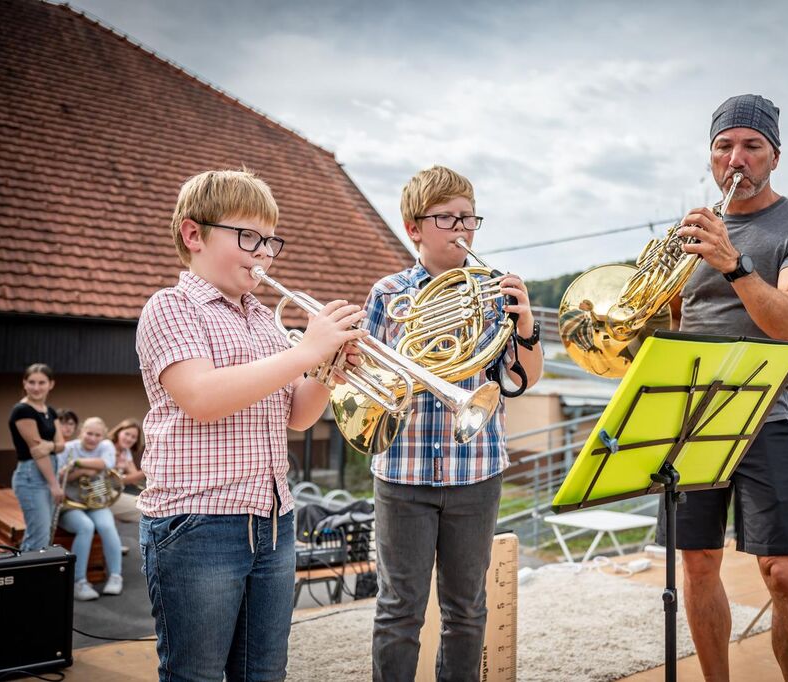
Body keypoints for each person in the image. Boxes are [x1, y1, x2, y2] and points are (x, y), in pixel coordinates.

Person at [135, 168, 367, 681]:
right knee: (194, 674)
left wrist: (328, 370)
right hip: (198, 523)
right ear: (193, 235)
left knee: (263, 673)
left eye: (269, 241)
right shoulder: (170, 308)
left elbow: (299, 417)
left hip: (274, 518)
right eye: (247, 237)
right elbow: (202, 398)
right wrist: (308, 349)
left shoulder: (264, 318)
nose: (263, 253)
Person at [659, 94, 788, 681]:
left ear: (773, 157)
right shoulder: (690, 230)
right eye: (724, 146)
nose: (737, 158)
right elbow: (675, 322)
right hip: (691, 413)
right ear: (711, 156)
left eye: (751, 146)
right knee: (699, 563)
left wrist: (734, 263)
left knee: (783, 572)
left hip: (765, 411)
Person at [365, 165, 543, 681]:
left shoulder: (492, 290)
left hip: (477, 468)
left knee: (467, 609)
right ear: (413, 227)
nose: (462, 229)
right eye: (447, 218)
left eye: (469, 217)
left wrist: (525, 325)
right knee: (400, 609)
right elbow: (369, 380)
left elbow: (520, 378)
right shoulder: (388, 294)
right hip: (403, 471)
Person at [56, 416, 124, 600]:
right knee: (86, 527)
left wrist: (76, 464)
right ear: (81, 432)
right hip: (71, 505)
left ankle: (116, 576)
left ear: (102, 436)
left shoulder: (106, 446)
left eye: (97, 435)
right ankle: (79, 581)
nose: (92, 438)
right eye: (89, 433)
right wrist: (84, 472)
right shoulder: (69, 448)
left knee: (107, 526)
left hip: (96, 502)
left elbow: (107, 464)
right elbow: (59, 477)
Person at [9, 363, 65, 551]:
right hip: (32, 476)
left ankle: (32, 576)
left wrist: (50, 445)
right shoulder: (22, 410)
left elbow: (61, 445)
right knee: (38, 538)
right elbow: (37, 452)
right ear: (24, 383)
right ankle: (25, 579)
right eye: (31, 382)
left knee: (44, 534)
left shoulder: (49, 411)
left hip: (48, 473)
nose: (36, 387)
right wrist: (54, 485)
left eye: (42, 382)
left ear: (51, 384)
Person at [107, 418, 146, 524]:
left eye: (133, 437)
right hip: (102, 493)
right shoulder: (107, 447)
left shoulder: (125, 451)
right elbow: (118, 480)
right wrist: (147, 470)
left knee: (143, 503)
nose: (129, 439)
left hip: (115, 492)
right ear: (118, 432)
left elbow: (134, 479)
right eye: (127, 434)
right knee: (143, 510)